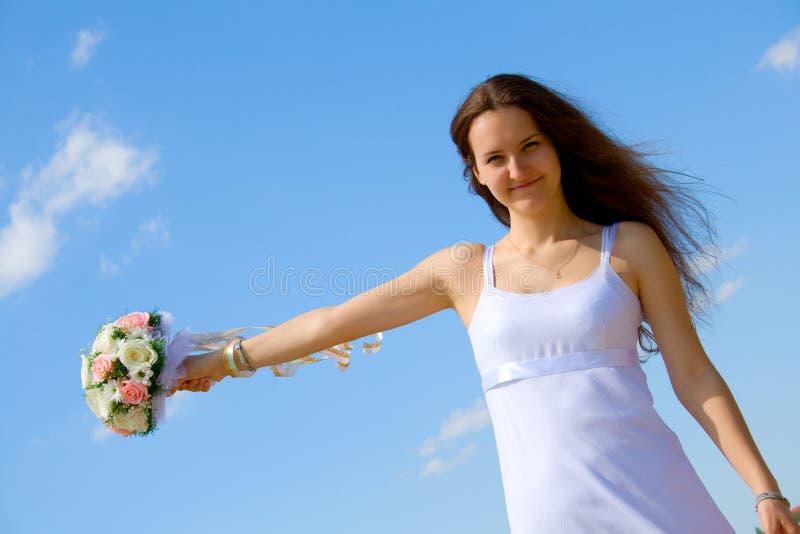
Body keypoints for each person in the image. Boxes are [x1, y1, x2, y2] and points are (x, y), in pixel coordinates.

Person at [170, 74, 797, 533]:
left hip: (661, 500)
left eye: (530, 146)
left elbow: (693, 376)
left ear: (557, 147)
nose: (517, 168)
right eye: (494, 157)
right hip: (549, 519)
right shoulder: (465, 270)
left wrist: (764, 491)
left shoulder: (628, 247)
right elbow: (331, 322)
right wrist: (214, 362)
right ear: (476, 174)